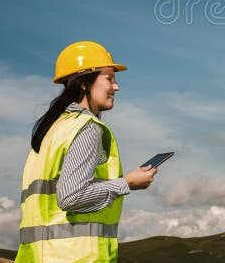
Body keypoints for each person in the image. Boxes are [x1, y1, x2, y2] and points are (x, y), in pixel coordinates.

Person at [16, 41, 156, 262]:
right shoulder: (86, 127)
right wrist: (127, 183)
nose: (116, 87)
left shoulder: (53, 130)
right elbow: (71, 197)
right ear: (84, 83)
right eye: (109, 78)